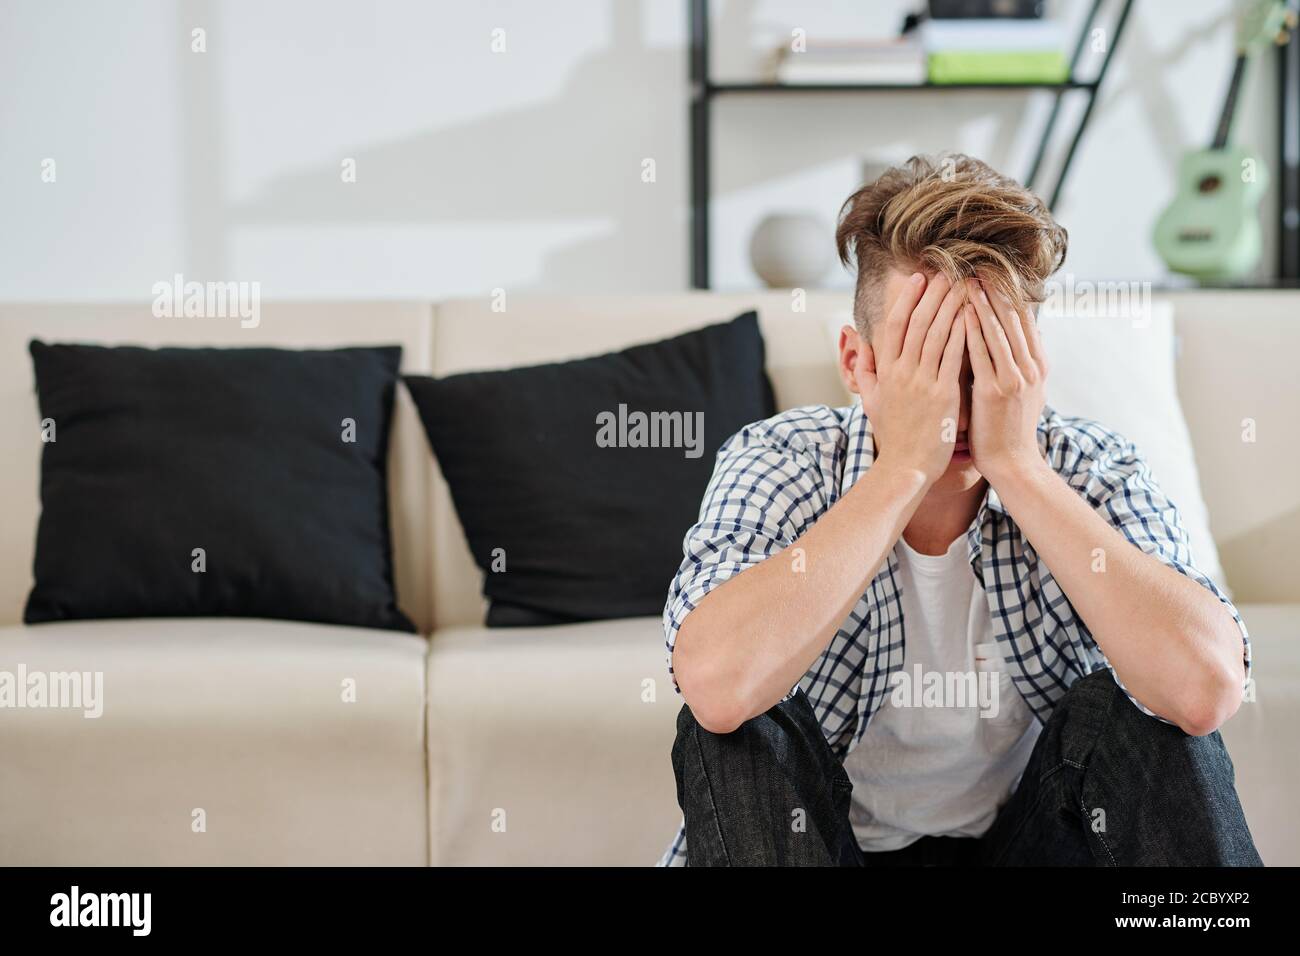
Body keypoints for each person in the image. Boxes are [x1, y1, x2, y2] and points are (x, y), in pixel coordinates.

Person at [659, 154, 1259, 867]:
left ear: (1030, 363)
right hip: (825, 852)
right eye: (929, 363)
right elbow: (717, 689)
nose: (957, 400)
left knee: (1145, 711)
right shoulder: (784, 459)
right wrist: (904, 468)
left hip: (1032, 848)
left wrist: (1021, 469)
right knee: (736, 729)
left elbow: (1206, 691)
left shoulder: (1089, 467)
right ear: (858, 364)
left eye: (986, 362)